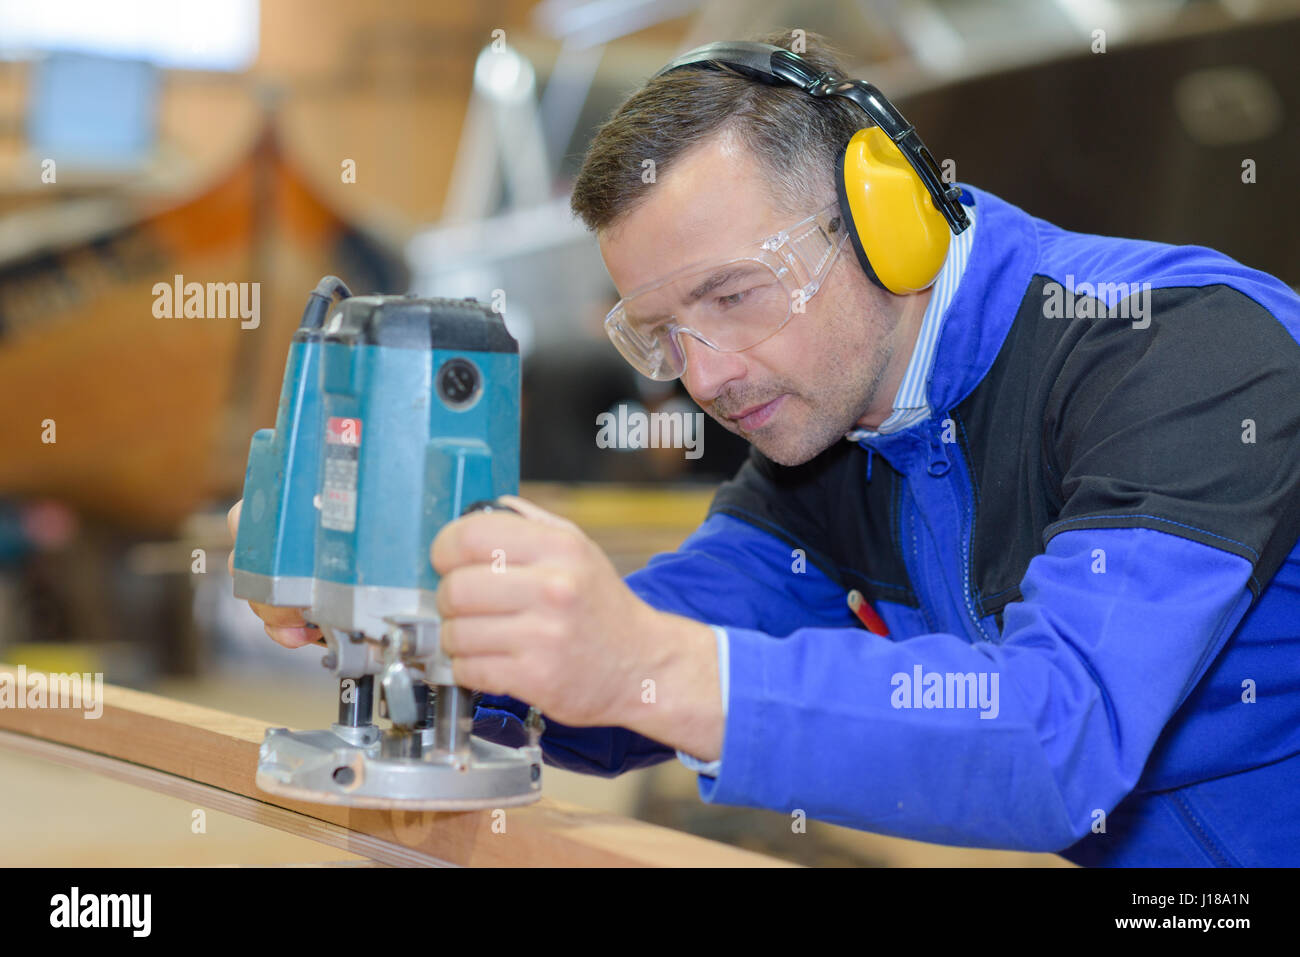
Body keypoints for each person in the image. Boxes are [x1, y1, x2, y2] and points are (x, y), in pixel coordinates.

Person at [229, 31, 1300, 866]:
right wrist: (426, 629)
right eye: (661, 333)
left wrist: (652, 667)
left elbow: (1058, 737)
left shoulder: (1180, 351)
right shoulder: (829, 435)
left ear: (888, 218)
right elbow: (666, 633)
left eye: (734, 296)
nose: (705, 380)